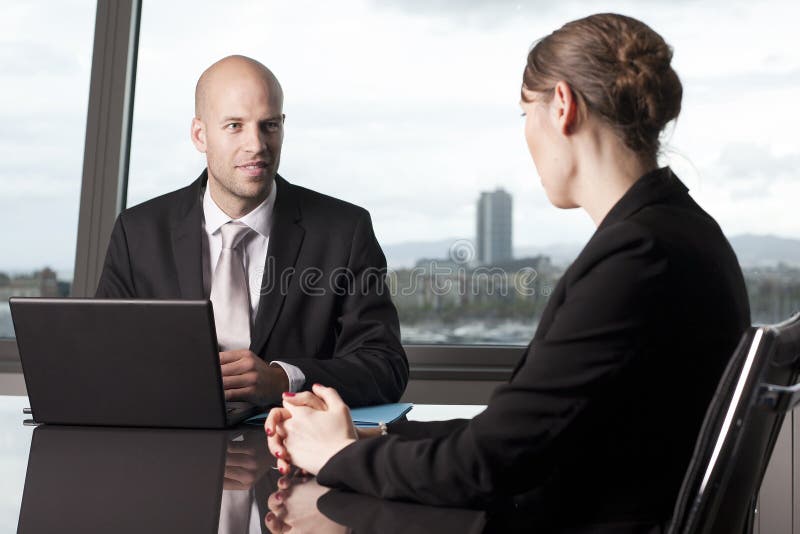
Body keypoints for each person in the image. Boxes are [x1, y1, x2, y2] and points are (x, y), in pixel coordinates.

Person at [265, 13, 751, 528]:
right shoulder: (677, 232)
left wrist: (336, 457)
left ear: (562, 106)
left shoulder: (638, 258)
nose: (527, 135)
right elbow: (513, 435)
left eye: (526, 112)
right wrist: (367, 438)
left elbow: (485, 465)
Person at [95, 55, 408, 408]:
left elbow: (386, 367)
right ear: (200, 135)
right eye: (234, 126)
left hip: (295, 452)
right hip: (168, 447)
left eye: (269, 125)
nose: (257, 145)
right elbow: (103, 360)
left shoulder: (344, 231)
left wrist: (282, 380)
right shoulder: (137, 233)